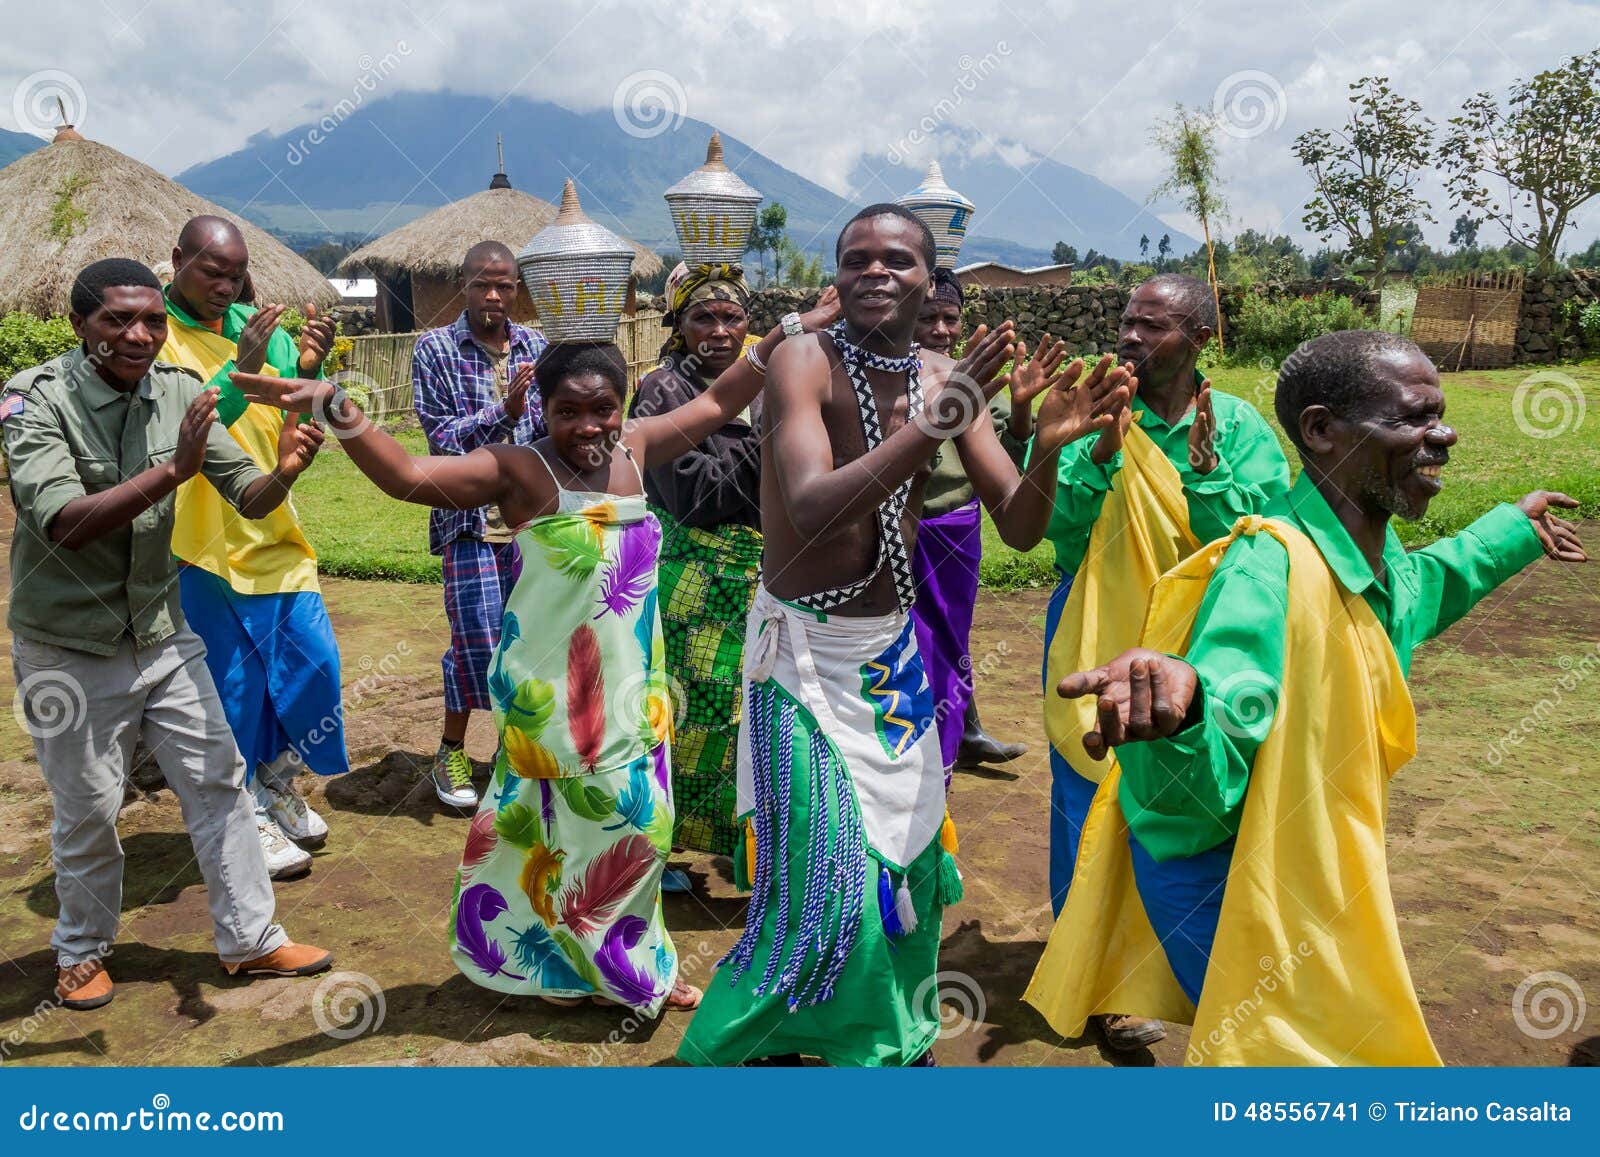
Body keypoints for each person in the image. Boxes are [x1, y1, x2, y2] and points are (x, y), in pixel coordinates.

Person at [232, 301, 837, 1013]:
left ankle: (627, 958)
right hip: (549, 687)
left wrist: (797, 327)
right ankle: (554, 958)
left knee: (642, 828)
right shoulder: (518, 469)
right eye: (567, 411)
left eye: (602, 408)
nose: (587, 426)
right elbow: (405, 477)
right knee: (560, 827)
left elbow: (718, 396)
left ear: (623, 403)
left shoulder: (636, 449)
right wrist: (339, 408)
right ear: (540, 409)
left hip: (635, 686)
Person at [1024, 330, 1586, 1065]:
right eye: (1415, 418)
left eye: (1440, 415)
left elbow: (1429, 587)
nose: (1442, 435)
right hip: (1229, 880)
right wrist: (1184, 717)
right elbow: (1206, 763)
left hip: (1303, 867)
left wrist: (1513, 526)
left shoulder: (1364, 561)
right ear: (1322, 430)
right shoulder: (1269, 568)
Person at [678, 205, 1131, 1067]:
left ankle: (886, 1030)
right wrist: (936, 418)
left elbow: (1022, 525)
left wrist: (1045, 445)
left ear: (930, 280)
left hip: (889, 655)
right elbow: (811, 505)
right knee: (824, 878)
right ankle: (759, 1037)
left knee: (909, 864)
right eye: (856, 259)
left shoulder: (939, 373)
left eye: (896, 259)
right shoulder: (801, 361)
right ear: (837, 277)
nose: (875, 271)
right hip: (803, 656)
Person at [2, 259, 334, 1010]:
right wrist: (174, 470)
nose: (140, 334)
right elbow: (62, 523)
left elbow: (247, 495)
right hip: (69, 645)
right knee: (88, 805)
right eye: (117, 319)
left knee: (217, 779)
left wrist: (283, 471)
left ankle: (251, 939)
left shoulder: (181, 392)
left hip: (160, 630)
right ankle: (80, 953)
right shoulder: (32, 400)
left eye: (152, 319)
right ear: (80, 325)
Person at [1017, 274, 1291, 1050]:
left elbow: (1258, 546)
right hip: (1095, 633)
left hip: (1197, 648)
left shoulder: (1235, 428)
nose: (1131, 337)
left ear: (1201, 338)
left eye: (1153, 325)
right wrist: (1099, 453)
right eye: (1127, 322)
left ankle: (1189, 967)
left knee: (1182, 811)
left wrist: (1206, 476)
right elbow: (1056, 530)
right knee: (1085, 799)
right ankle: (1099, 982)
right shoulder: (1095, 408)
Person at [625, 264, 835, 875]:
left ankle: (753, 856)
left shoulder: (776, 386)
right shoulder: (664, 392)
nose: (719, 331)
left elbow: (801, 480)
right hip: (694, 581)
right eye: (703, 318)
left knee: (758, 715)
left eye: (732, 318)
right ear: (679, 325)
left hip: (766, 576)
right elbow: (693, 493)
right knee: (690, 712)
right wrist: (767, 454)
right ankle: (660, 853)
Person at [161, 215, 347, 881]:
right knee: (234, 689)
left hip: (273, 524)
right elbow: (180, 430)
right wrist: (240, 373)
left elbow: (287, 425)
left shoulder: (255, 325)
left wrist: (305, 368)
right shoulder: (153, 334)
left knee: (312, 667)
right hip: (202, 540)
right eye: (211, 271)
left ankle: (276, 782)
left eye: (235, 273)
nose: (225, 285)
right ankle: (243, 813)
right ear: (177, 258)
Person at [413, 241, 549, 810]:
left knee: (533, 640)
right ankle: (451, 750)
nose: (494, 295)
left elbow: (552, 428)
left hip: (532, 524)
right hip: (468, 521)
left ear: (517, 288)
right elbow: (440, 438)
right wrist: (503, 414)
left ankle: (516, 755)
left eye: (505, 285)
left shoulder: (537, 347)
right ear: (463, 285)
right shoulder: (435, 349)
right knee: (476, 640)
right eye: (482, 284)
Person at [911, 266, 1036, 775]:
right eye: (928, 318)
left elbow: (1004, 465)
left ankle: (959, 731)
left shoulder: (976, 380)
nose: (941, 330)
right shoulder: (892, 374)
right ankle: (933, 742)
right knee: (912, 634)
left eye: (950, 318)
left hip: (955, 524)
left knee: (951, 633)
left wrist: (1024, 412)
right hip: (901, 526)